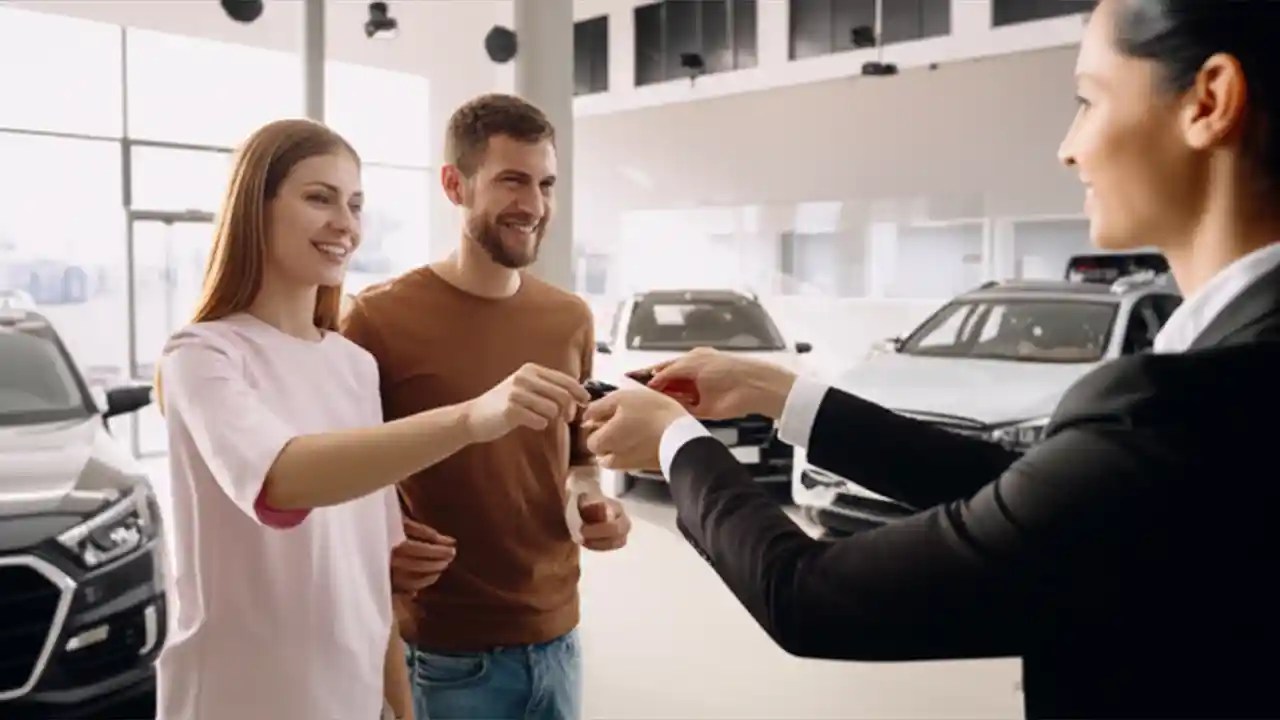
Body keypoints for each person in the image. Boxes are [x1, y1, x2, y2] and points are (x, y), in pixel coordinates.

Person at [582, 1, 1280, 717]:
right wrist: (776, 390)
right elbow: (1022, 493)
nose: (1068, 148)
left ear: (1209, 101)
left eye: (1087, 100)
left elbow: (806, 594)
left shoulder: (1177, 411)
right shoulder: (1226, 377)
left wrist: (674, 439)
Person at [154, 118, 590, 720]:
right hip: (239, 699)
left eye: (355, 204)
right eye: (319, 198)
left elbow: (371, 579)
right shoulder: (202, 356)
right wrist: (469, 418)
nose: (346, 224)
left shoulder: (354, 366)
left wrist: (399, 705)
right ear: (255, 207)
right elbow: (281, 478)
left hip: (351, 699)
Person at [341, 93, 632, 720]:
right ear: (455, 184)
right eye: (512, 181)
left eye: (545, 183)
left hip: (560, 639)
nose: (534, 204)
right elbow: (341, 475)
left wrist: (591, 504)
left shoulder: (569, 318)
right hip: (445, 654)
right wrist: (381, 537)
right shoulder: (376, 319)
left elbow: (578, 460)